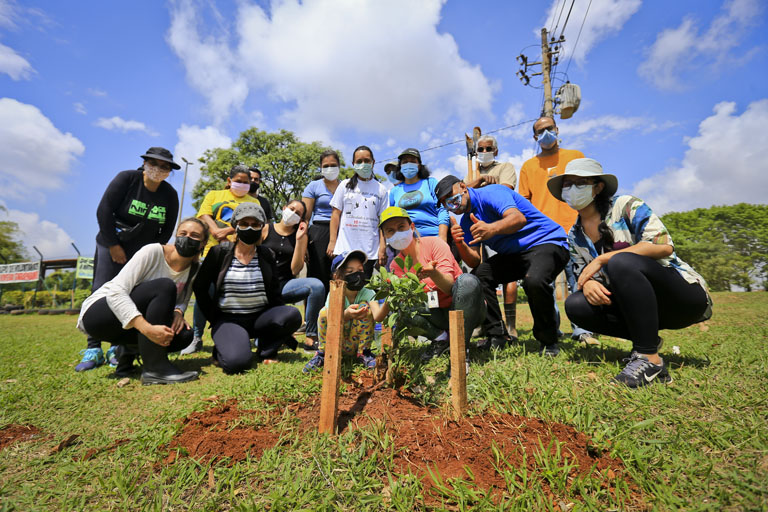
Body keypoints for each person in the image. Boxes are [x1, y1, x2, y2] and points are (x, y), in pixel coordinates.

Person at [548, 158, 712, 387]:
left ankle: (649, 359)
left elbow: (664, 246)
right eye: (567, 184)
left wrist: (604, 258)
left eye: (580, 182)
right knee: (576, 305)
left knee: (621, 262)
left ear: (598, 187)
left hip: (682, 297)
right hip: (640, 306)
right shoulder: (574, 235)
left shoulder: (626, 206)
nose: (572, 189)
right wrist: (588, 284)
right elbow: (582, 275)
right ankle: (648, 342)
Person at [435, 175, 569, 356]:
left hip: (547, 242)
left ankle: (548, 341)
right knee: (479, 276)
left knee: (534, 281)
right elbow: (474, 260)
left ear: (463, 187)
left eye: (451, 197)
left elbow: (518, 218)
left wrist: (491, 229)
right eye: (445, 203)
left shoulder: (492, 192)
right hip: (516, 255)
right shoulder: (466, 221)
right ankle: (497, 335)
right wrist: (461, 244)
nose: (451, 205)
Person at [75, 147, 180, 372]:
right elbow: (104, 210)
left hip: (141, 254)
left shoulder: (169, 194)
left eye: (165, 167)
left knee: (131, 295)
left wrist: (150, 255)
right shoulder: (127, 179)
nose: (158, 170)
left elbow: (167, 230)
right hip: (111, 243)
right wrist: (113, 245)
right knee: (102, 289)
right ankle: (93, 348)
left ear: (170, 171)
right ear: (144, 163)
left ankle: (118, 346)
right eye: (154, 164)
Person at [76, 217, 207, 385]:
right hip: (99, 314)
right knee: (164, 286)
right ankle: (155, 369)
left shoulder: (194, 269)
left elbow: (182, 298)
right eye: (183, 233)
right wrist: (146, 329)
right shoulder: (153, 252)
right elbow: (116, 292)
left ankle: (127, 353)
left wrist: (178, 312)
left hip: (127, 324)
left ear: (203, 243)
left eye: (195, 235)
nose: (187, 238)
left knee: (184, 336)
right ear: (176, 236)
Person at [193, 203, 302, 374]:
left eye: (255, 224)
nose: (249, 228)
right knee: (236, 364)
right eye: (244, 224)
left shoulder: (266, 255)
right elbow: (200, 286)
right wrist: (214, 318)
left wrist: (282, 327)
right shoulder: (218, 253)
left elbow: (274, 291)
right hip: (230, 319)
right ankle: (224, 347)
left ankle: (266, 350)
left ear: (261, 227)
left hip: (260, 317)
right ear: (235, 227)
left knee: (292, 315)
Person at [518, 116, 597, 346]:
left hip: (576, 228)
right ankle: (552, 330)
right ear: (535, 137)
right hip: (544, 235)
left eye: (549, 128)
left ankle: (583, 330)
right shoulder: (528, 167)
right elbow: (524, 203)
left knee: (580, 279)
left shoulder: (575, 157)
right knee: (545, 284)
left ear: (557, 129)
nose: (546, 134)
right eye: (540, 131)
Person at [379, 207, 486, 360]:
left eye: (401, 227)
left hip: (467, 310)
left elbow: (450, 287)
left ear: (412, 227)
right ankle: (440, 339)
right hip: (437, 314)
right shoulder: (396, 266)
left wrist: (433, 273)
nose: (396, 233)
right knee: (401, 304)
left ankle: (461, 348)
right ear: (385, 236)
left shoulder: (435, 244)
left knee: (467, 281)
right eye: (390, 231)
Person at [181, 164, 262, 355]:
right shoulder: (214, 195)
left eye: (246, 182)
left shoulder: (254, 202)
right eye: (238, 181)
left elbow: (254, 222)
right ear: (229, 181)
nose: (242, 184)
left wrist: (226, 231)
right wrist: (215, 231)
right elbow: (203, 215)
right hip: (211, 252)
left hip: (237, 254)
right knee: (203, 293)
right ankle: (197, 336)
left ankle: (240, 333)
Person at [467, 135, 520, 341]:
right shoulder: (473, 172)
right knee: (481, 274)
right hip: (477, 227)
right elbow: (462, 192)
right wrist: (479, 180)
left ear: (495, 151)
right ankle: (486, 322)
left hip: (501, 226)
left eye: (489, 148)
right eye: (480, 148)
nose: (484, 151)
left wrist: (481, 189)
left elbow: (505, 190)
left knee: (509, 277)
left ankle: (511, 325)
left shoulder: (505, 167)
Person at [303, 250, 387, 373]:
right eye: (350, 272)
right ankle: (322, 354)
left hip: (355, 346)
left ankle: (364, 353)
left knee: (364, 306)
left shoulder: (368, 292)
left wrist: (389, 301)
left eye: (360, 270)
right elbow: (330, 320)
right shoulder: (335, 293)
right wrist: (346, 315)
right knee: (324, 313)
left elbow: (378, 316)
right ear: (337, 276)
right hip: (335, 343)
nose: (357, 275)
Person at [260, 199, 325, 350]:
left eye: (298, 213)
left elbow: (295, 270)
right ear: (284, 208)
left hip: (285, 286)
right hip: (262, 287)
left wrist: (300, 239)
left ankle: (311, 337)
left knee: (316, 285)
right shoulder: (265, 229)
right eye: (292, 209)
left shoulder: (300, 236)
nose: (293, 214)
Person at [328, 145, 388, 276]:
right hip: (344, 248)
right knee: (341, 287)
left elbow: (383, 222)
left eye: (367, 161)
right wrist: (333, 241)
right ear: (353, 164)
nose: (363, 164)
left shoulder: (381, 189)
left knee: (363, 290)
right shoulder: (344, 185)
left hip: (369, 251)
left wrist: (382, 247)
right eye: (359, 161)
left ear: (373, 163)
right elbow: (335, 214)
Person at [388, 148, 449, 242]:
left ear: (419, 166)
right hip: (406, 242)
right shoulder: (394, 191)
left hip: (434, 237)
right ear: (400, 167)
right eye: (405, 162)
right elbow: (391, 219)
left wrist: (442, 237)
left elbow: (442, 209)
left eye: (413, 161)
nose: (408, 164)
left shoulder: (431, 183)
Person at [302, 150, 341, 294]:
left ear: (339, 166)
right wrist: (303, 244)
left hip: (340, 233)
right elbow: (305, 218)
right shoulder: (313, 186)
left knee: (339, 275)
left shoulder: (345, 186)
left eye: (333, 165)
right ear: (321, 167)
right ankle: (312, 315)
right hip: (319, 232)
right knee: (318, 276)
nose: (329, 168)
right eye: (326, 166)